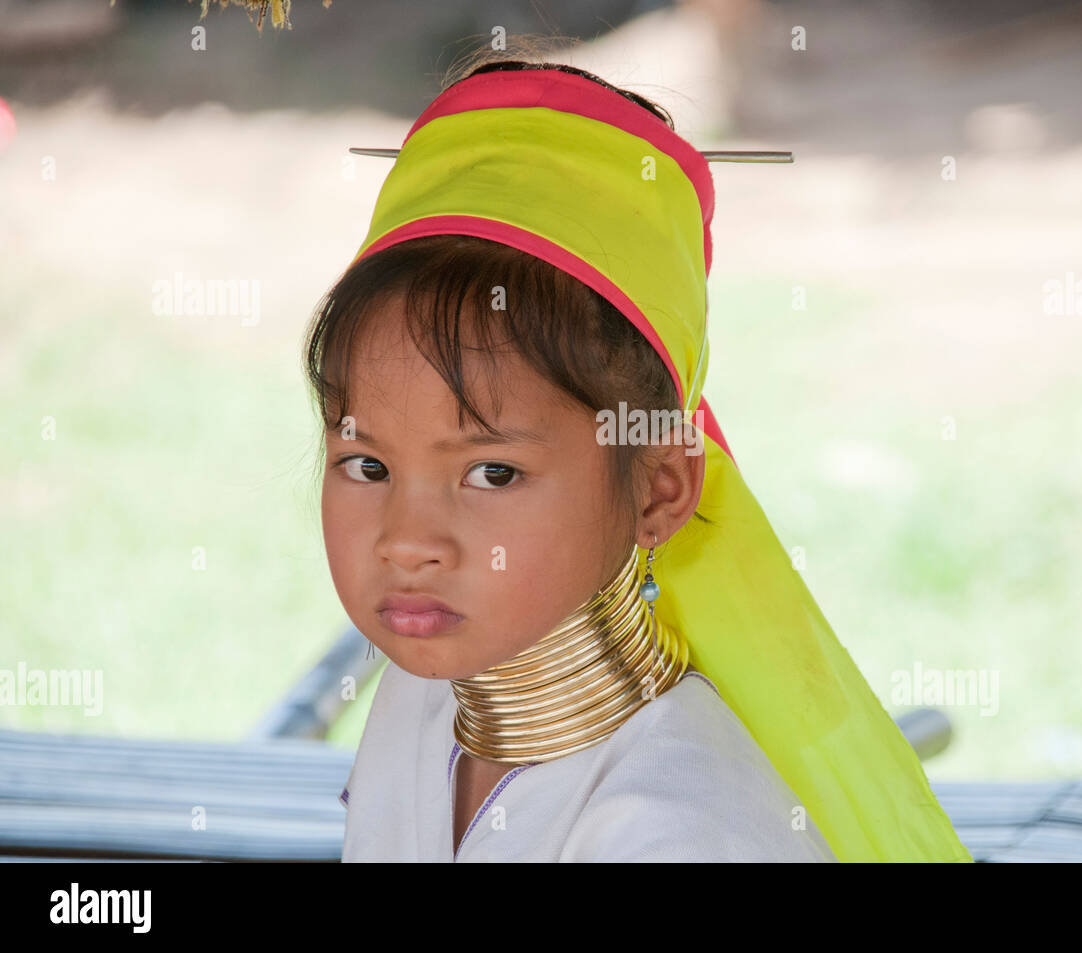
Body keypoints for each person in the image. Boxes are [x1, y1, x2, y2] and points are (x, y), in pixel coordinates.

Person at [304, 54, 972, 862]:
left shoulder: (676, 828)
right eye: (367, 465)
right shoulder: (427, 691)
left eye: (493, 472)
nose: (406, 541)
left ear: (659, 487)